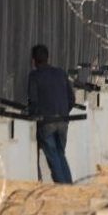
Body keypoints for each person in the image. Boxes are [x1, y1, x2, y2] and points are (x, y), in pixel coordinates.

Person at [27, 44, 75, 183]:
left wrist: (34, 116)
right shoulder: (60, 72)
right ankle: (69, 186)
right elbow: (71, 99)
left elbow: (33, 101)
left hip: (46, 121)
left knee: (53, 156)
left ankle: (63, 188)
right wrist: (63, 112)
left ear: (33, 60)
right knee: (60, 154)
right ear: (48, 58)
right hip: (63, 120)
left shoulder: (34, 76)